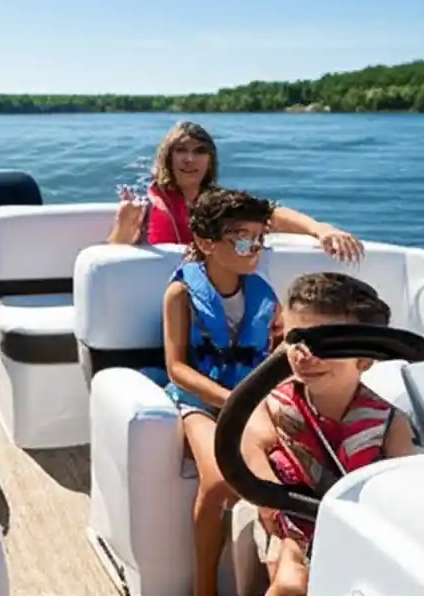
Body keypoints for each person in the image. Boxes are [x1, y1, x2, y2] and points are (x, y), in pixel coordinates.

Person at [240, 272, 416, 596]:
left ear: (365, 358)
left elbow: (406, 497)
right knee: (291, 584)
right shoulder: (276, 405)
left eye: (325, 343)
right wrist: (279, 516)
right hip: (287, 522)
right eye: (296, 339)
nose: (305, 353)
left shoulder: (390, 424)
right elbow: (251, 447)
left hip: (355, 533)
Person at [162, 187, 282, 596]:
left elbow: (276, 354)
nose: (256, 248)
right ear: (205, 242)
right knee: (216, 482)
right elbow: (176, 369)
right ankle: (205, 587)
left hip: (252, 402)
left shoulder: (265, 296)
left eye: (260, 239)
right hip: (198, 403)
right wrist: (230, 400)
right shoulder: (180, 293)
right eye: (244, 239)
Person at [107, 121, 365, 262]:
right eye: (181, 150)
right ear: (168, 157)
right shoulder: (146, 204)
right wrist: (124, 227)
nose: (189, 159)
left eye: (199, 151)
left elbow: (270, 214)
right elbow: (111, 259)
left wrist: (321, 229)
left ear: (210, 160)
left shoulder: (219, 201)